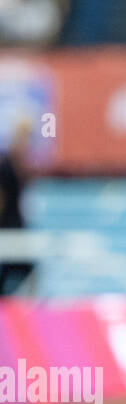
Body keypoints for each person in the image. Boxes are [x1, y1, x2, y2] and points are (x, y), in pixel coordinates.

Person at [0, 118, 35, 295]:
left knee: (23, 269)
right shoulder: (6, 165)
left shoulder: (20, 164)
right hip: (7, 225)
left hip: (18, 224)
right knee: (15, 268)